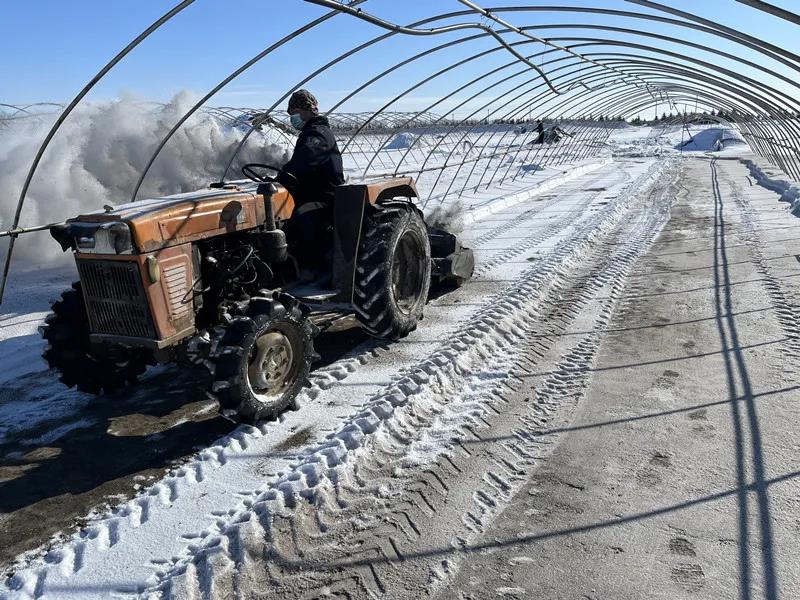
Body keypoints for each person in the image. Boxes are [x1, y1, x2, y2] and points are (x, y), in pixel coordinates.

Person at [277, 89, 345, 277]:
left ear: (307, 111)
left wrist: (283, 175)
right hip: (310, 192)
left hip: (325, 197)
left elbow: (304, 161)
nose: (292, 118)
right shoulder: (310, 132)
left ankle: (312, 269)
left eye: (295, 113)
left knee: (301, 215)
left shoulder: (318, 134)